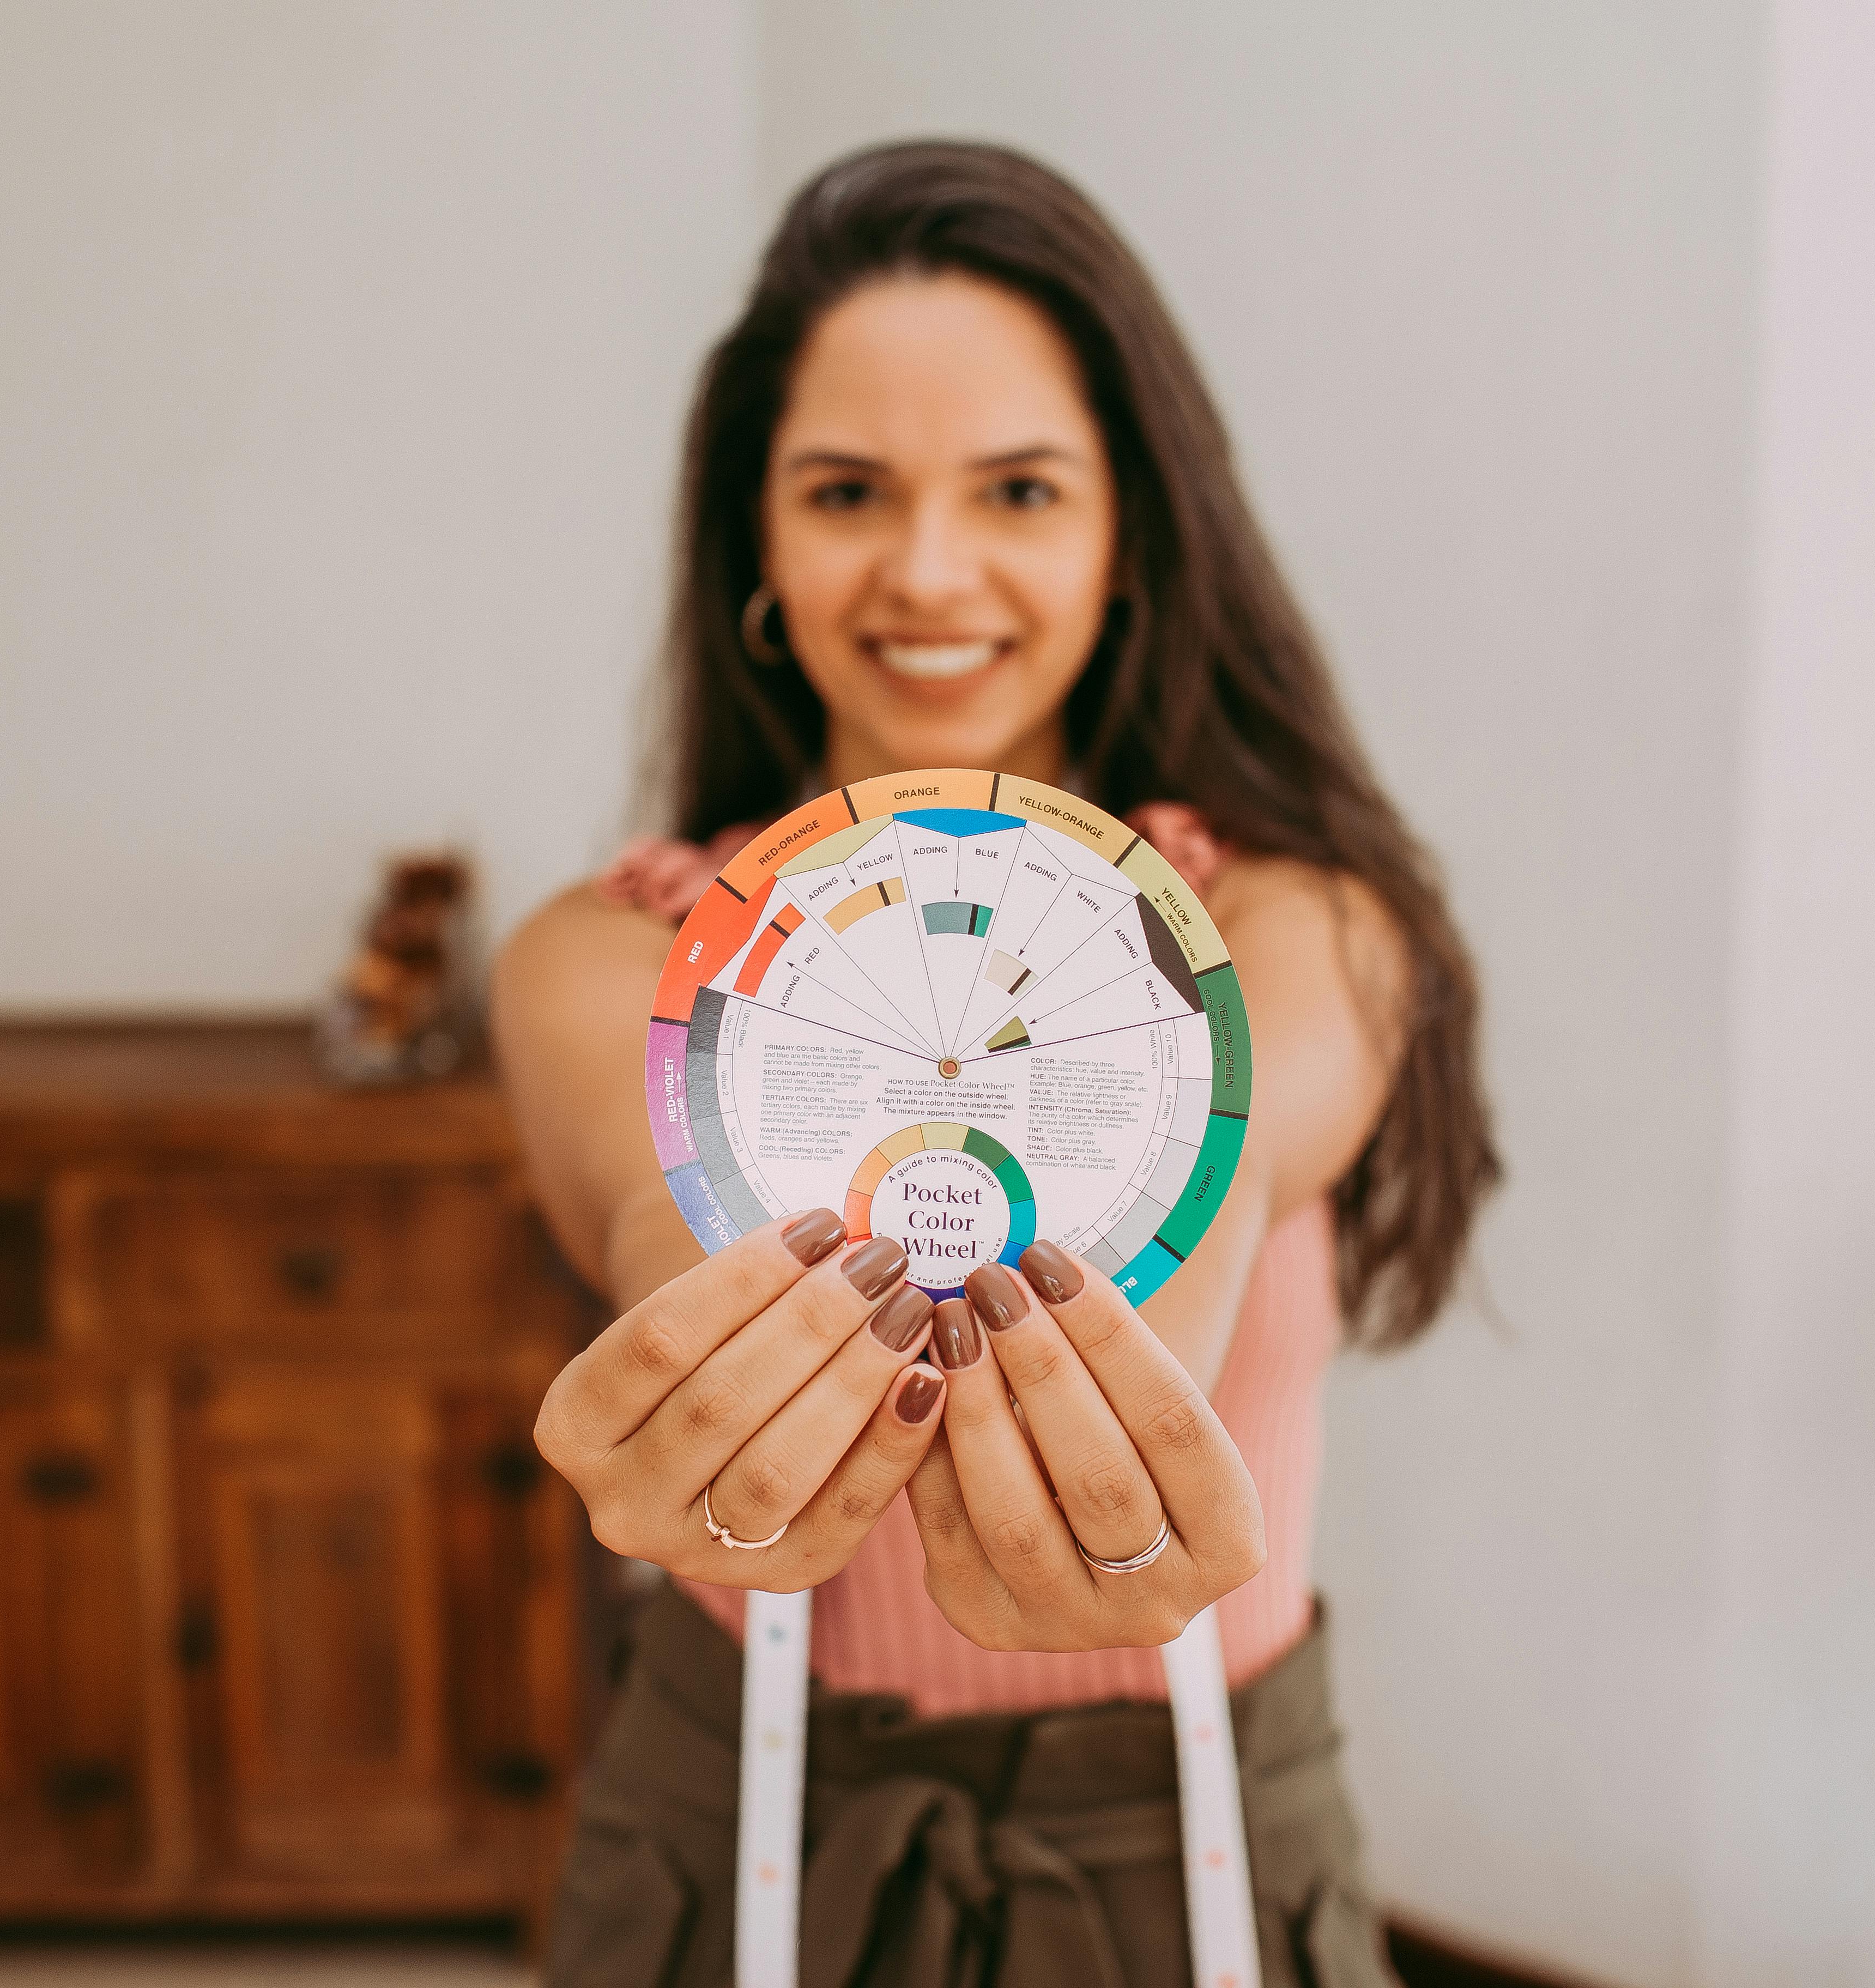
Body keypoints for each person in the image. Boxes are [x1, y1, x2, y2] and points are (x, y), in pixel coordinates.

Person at [493, 139, 1497, 1988]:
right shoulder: (614, 961)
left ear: (1128, 540)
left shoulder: (1298, 928)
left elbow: (1224, 1161)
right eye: (849, 489)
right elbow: (662, 1214)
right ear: (758, 550)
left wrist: (1127, 1407)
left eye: (1019, 488)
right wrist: (709, 1413)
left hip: (1190, 1839)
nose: (930, 569)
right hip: (741, 1828)